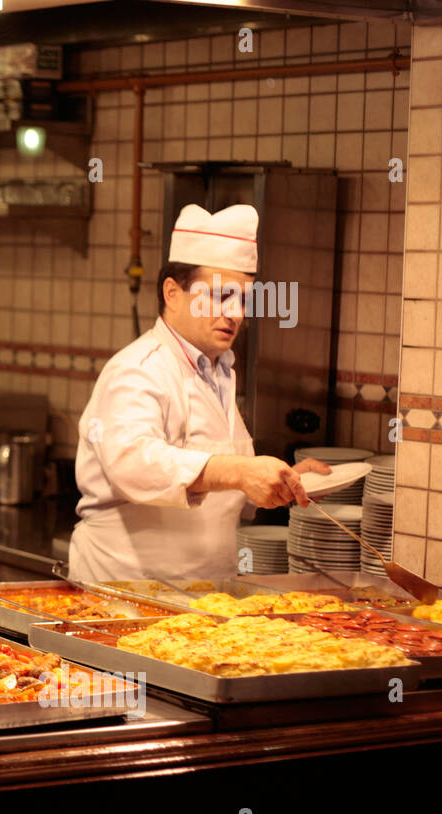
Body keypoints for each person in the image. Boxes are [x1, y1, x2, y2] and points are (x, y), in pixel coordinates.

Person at [69, 203, 329, 581]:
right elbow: (134, 463)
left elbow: (222, 491)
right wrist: (241, 471)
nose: (234, 313)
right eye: (220, 296)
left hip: (207, 596)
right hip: (125, 591)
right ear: (172, 293)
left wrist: (285, 483)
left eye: (243, 299)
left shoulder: (218, 373)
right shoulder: (137, 369)